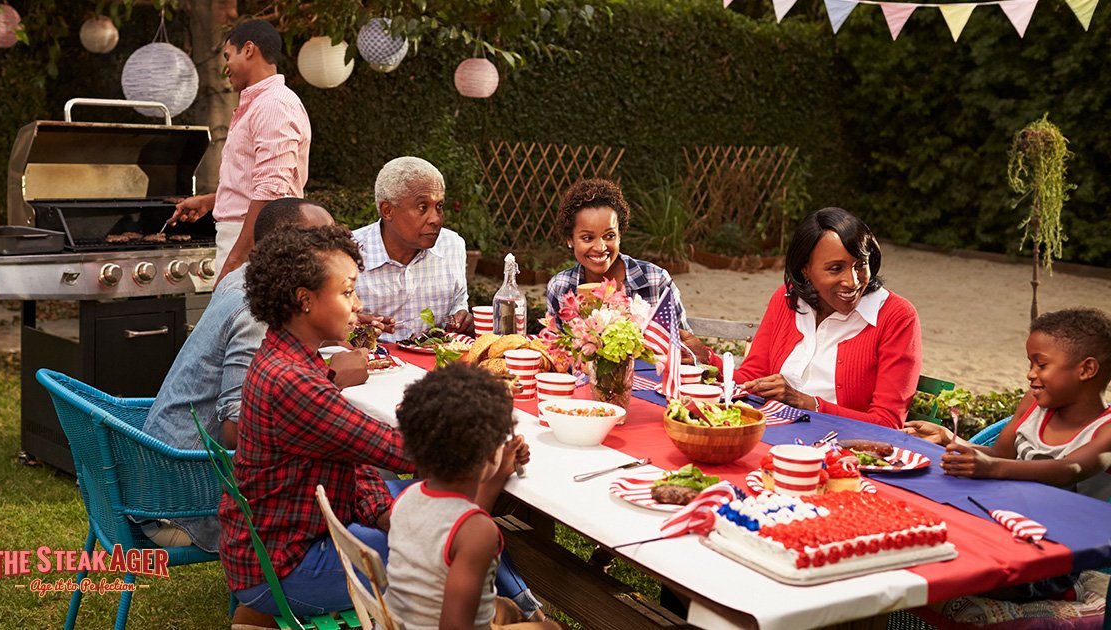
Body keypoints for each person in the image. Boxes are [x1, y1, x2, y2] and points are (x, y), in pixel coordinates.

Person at [221, 226, 544, 626]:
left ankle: (513, 602)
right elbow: (403, 449)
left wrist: (384, 512)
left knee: (431, 506)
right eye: (346, 292)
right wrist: (482, 439)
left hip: (283, 540)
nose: (357, 304)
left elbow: (352, 456)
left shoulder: (289, 354)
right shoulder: (294, 382)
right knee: (454, 530)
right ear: (304, 301)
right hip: (285, 565)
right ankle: (520, 609)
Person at [142, 198, 366, 552]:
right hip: (186, 499)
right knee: (345, 468)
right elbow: (238, 431)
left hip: (158, 477)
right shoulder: (256, 314)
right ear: (281, 249)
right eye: (319, 243)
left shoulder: (244, 279)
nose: (332, 252)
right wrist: (330, 378)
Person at [386, 364, 559, 629]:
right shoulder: (478, 532)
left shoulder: (407, 498)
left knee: (508, 608)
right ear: (490, 453)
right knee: (552, 627)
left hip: (406, 619)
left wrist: (499, 473)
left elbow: (458, 522)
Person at [735, 207, 921, 429]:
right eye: (835, 269)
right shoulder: (787, 299)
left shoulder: (896, 317)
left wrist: (808, 403)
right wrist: (705, 360)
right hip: (772, 430)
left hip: (842, 448)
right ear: (805, 270)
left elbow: (887, 422)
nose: (852, 282)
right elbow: (752, 377)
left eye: (860, 265)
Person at [904, 308, 1111, 501]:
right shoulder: (1033, 402)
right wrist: (947, 437)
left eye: (1042, 365)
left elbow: (1068, 469)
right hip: (1012, 509)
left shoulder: (1105, 429)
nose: (1030, 374)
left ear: (1086, 370)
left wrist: (993, 468)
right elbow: (1000, 456)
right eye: (1030, 365)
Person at [169, 19, 311, 281]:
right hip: (250, 235)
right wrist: (214, 200)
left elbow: (271, 190)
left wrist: (235, 261)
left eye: (227, 56)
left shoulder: (273, 104)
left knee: (247, 322)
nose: (226, 67)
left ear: (248, 50)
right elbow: (258, 181)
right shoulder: (262, 103)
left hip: (257, 240)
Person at [544, 178, 715, 366]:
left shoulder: (655, 280)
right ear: (570, 239)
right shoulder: (561, 288)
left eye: (609, 236)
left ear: (620, 234)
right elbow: (555, 354)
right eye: (587, 238)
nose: (600, 247)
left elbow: (685, 350)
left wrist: (697, 354)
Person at [353, 156, 472, 342]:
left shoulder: (452, 246)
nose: (435, 219)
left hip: (435, 365)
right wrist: (346, 326)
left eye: (439, 206)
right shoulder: (348, 253)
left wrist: (460, 317)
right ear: (387, 210)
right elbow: (320, 326)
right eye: (422, 207)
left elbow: (458, 303)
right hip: (371, 366)